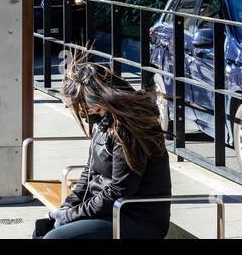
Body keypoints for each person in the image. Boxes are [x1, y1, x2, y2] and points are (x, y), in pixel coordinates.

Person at [39, 53, 172, 239]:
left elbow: (120, 189)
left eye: (83, 104)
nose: (85, 111)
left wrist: (69, 216)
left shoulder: (128, 129)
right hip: (110, 210)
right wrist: (67, 207)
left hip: (136, 218)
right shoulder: (104, 121)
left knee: (54, 238)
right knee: (44, 228)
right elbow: (89, 171)